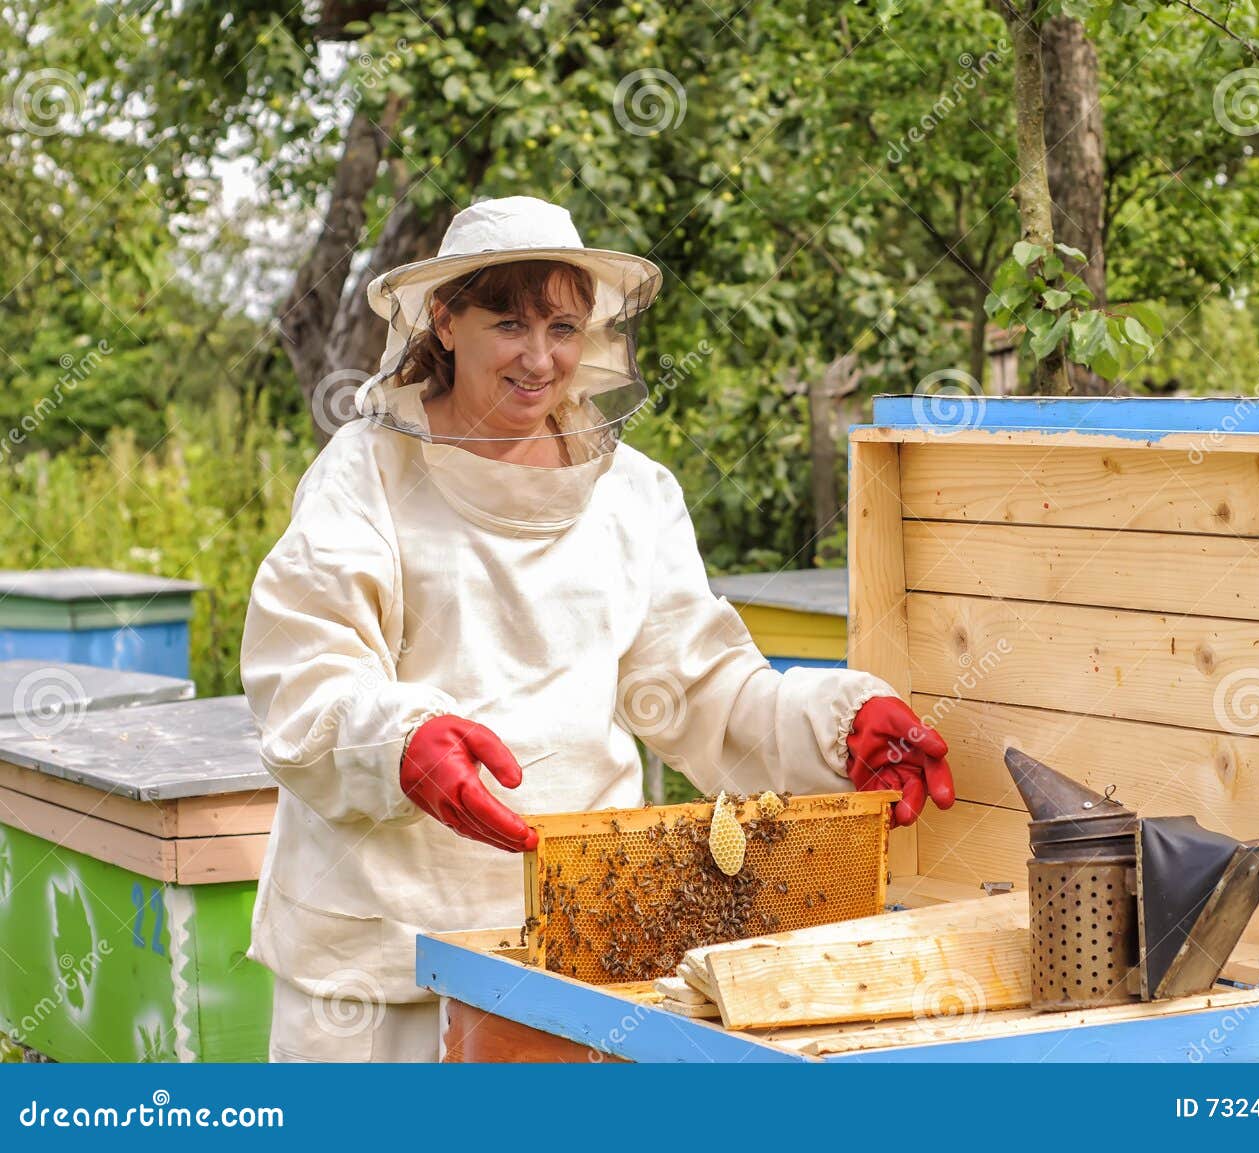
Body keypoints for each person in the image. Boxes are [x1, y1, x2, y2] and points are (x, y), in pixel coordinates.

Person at [239, 195, 955, 1062]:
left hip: (579, 944)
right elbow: (304, 675)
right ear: (445, 320)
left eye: (564, 327)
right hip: (381, 957)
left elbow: (704, 692)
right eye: (508, 322)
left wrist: (839, 726)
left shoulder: (633, 493)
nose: (540, 358)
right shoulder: (364, 473)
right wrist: (401, 743)